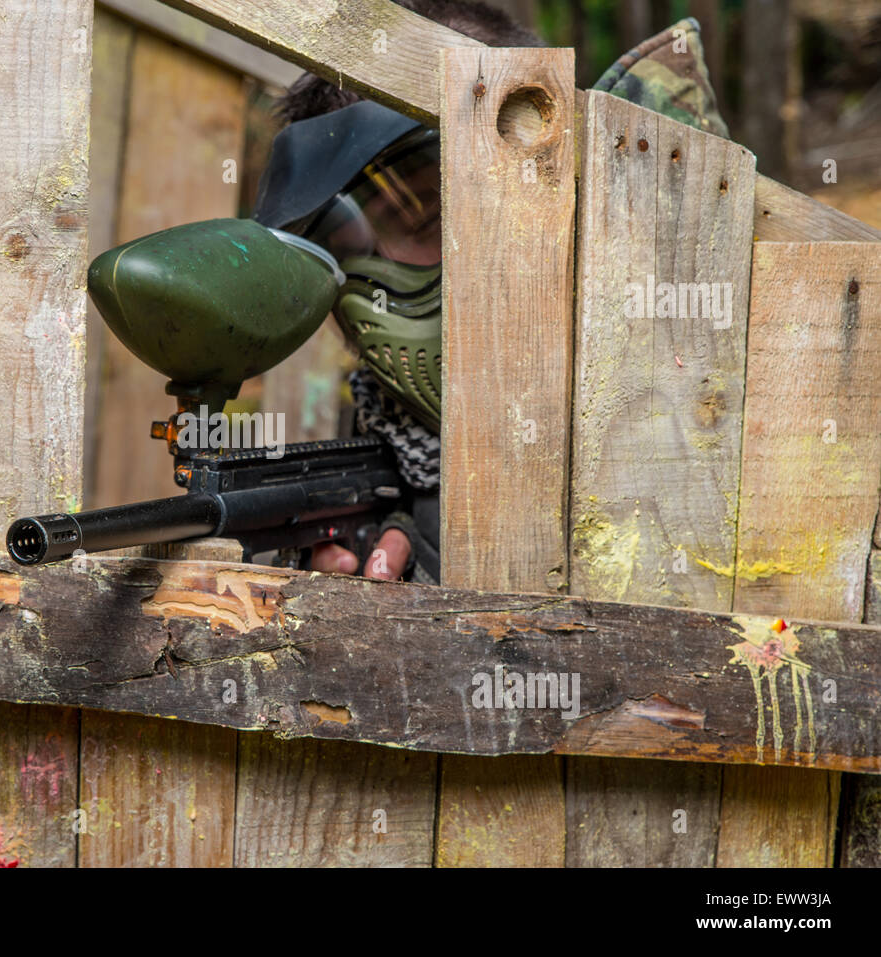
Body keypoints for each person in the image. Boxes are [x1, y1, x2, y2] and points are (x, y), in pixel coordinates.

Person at [250, 1, 729, 584]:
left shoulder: (710, 389)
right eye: (346, 269)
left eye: (425, 221)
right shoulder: (387, 443)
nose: (371, 306)